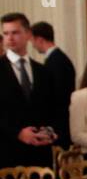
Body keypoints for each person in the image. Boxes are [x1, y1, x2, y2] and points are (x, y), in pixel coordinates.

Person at [0, 12, 63, 167]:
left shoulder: (43, 71)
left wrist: (50, 130)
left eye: (15, 32)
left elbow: (55, 108)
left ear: (28, 34)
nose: (10, 38)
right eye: (6, 33)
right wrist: (18, 133)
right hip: (7, 155)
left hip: (40, 155)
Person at [30, 22, 77, 121]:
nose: (33, 46)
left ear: (40, 40)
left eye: (32, 41)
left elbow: (56, 95)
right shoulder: (59, 58)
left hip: (58, 119)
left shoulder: (55, 61)